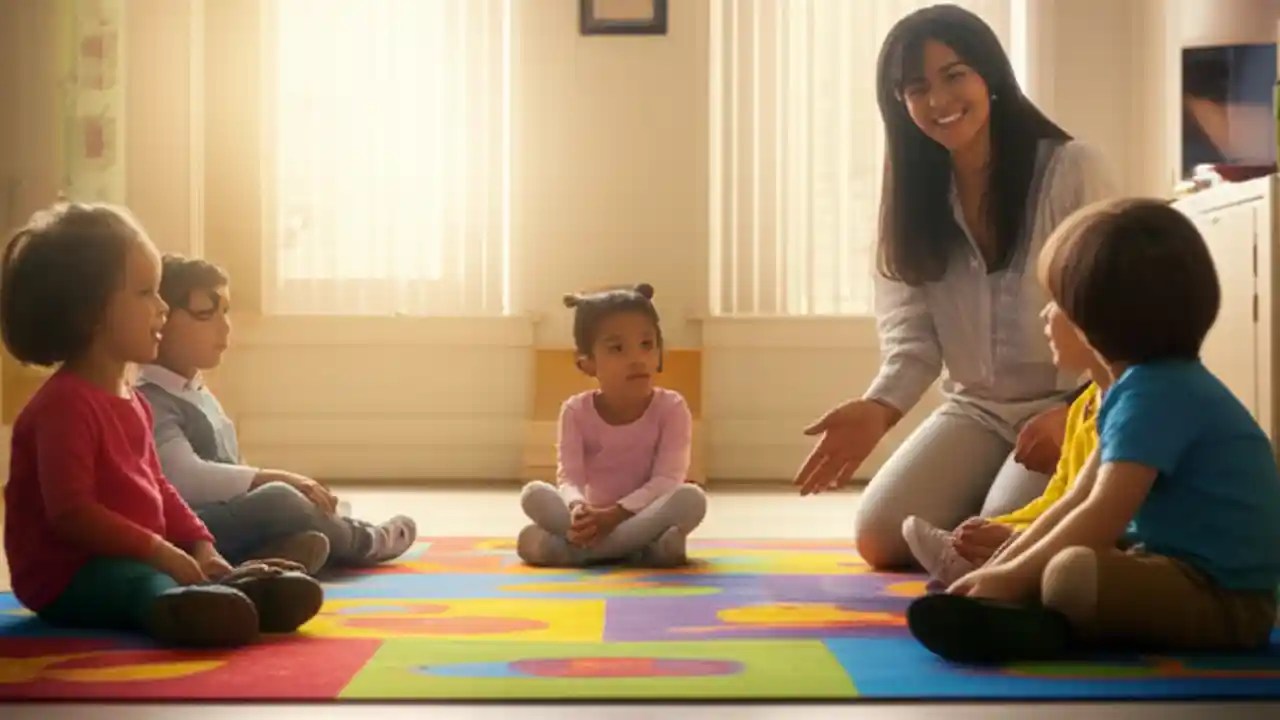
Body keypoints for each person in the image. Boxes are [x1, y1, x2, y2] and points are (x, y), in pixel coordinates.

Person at [793, 4, 1117, 569]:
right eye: (917, 88)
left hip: (1067, 407)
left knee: (1001, 540)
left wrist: (1080, 413)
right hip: (976, 410)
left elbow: (1119, 310)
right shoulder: (912, 202)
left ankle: (1034, 502)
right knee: (879, 536)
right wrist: (879, 407)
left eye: (953, 75)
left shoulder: (1072, 167)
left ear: (988, 75)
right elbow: (912, 340)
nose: (938, 101)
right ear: (900, 104)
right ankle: (995, 494)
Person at [908, 198, 1280, 664]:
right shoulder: (1130, 390)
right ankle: (1028, 615)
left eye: (1059, 304)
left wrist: (1013, 579)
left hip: (1229, 603)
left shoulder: (1158, 394)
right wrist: (1006, 566)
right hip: (1174, 568)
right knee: (1056, 564)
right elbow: (1075, 499)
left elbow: (1104, 513)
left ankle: (1040, 629)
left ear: (1099, 316)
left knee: (1071, 573)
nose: (1046, 316)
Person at [1, 202, 322, 646]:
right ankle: (189, 609)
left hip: (138, 554)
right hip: (71, 573)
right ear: (91, 311)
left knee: (161, 569)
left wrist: (201, 545)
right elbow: (73, 515)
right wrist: (162, 553)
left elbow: (160, 487)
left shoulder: (133, 401)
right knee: (140, 581)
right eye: (146, 292)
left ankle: (228, 587)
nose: (162, 307)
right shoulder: (64, 406)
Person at [136, 254, 417, 575]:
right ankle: (365, 540)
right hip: (191, 529)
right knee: (280, 499)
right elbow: (186, 477)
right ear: (161, 318)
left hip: (225, 520)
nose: (224, 326)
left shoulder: (195, 391)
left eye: (225, 312)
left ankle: (276, 555)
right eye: (205, 314)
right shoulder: (152, 401)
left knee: (295, 507)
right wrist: (277, 478)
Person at [517, 284, 706, 568]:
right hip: (592, 518)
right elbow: (569, 478)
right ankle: (640, 551)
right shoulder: (575, 411)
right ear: (587, 363)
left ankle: (576, 552)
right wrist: (578, 507)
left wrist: (616, 515)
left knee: (690, 498)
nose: (637, 359)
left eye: (647, 345)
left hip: (644, 515)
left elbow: (667, 480)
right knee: (533, 494)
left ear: (659, 352)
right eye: (617, 348)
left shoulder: (672, 408)